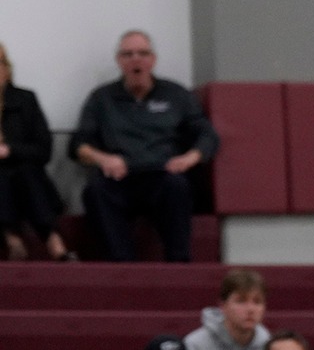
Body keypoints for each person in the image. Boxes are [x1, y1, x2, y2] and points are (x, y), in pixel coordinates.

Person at [72, 30, 219, 263]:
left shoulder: (176, 94)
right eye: (128, 54)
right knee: (95, 191)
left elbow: (207, 135)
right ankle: (121, 266)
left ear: (153, 59)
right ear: (119, 61)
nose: (136, 59)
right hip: (119, 178)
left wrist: (189, 158)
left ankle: (178, 265)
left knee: (178, 187)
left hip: (163, 175)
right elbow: (79, 144)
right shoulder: (102, 98)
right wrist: (103, 159)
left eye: (142, 53)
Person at [0, 42, 70, 260]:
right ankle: (13, 238)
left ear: (7, 70)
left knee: (27, 173)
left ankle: (52, 241)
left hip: (27, 176)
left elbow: (43, 150)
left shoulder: (25, 100)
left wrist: (9, 150)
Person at [185, 268, 269, 350]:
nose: (250, 309)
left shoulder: (269, 346)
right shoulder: (195, 345)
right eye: (241, 301)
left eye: (257, 301)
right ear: (223, 306)